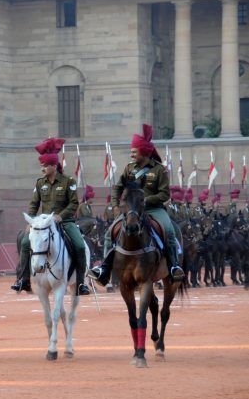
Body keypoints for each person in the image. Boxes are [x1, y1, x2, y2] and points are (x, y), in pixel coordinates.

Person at [90, 124, 184, 285]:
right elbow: (117, 188)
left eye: (134, 151)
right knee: (109, 232)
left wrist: (147, 201)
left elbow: (164, 194)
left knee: (169, 231)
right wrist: (116, 205)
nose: (131, 154)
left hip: (154, 210)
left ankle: (174, 266)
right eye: (131, 151)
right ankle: (104, 269)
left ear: (144, 152)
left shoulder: (160, 170)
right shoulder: (129, 169)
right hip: (132, 211)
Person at [11, 137, 91, 296]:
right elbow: (34, 204)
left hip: (65, 222)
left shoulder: (68, 181)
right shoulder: (40, 183)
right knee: (26, 242)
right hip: (44, 223)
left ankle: (81, 282)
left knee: (80, 246)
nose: (43, 168)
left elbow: (74, 203)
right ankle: (23, 279)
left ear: (54, 166)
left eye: (46, 165)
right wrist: (32, 220)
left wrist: (61, 216)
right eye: (42, 166)